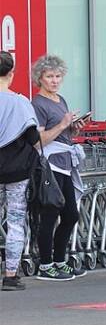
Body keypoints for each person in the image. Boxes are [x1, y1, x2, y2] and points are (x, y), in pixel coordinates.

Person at [31, 54, 88, 281]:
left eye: (57, 76)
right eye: (49, 76)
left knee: (71, 215)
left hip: (66, 163)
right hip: (49, 166)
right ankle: (45, 264)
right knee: (49, 215)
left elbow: (63, 133)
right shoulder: (37, 104)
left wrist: (73, 129)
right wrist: (63, 124)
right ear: (40, 79)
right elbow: (38, 140)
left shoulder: (60, 100)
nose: (54, 80)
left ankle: (60, 260)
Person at [0, 51, 40, 291]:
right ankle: (10, 275)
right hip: (17, 172)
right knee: (15, 221)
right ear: (11, 74)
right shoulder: (20, 102)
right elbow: (34, 137)